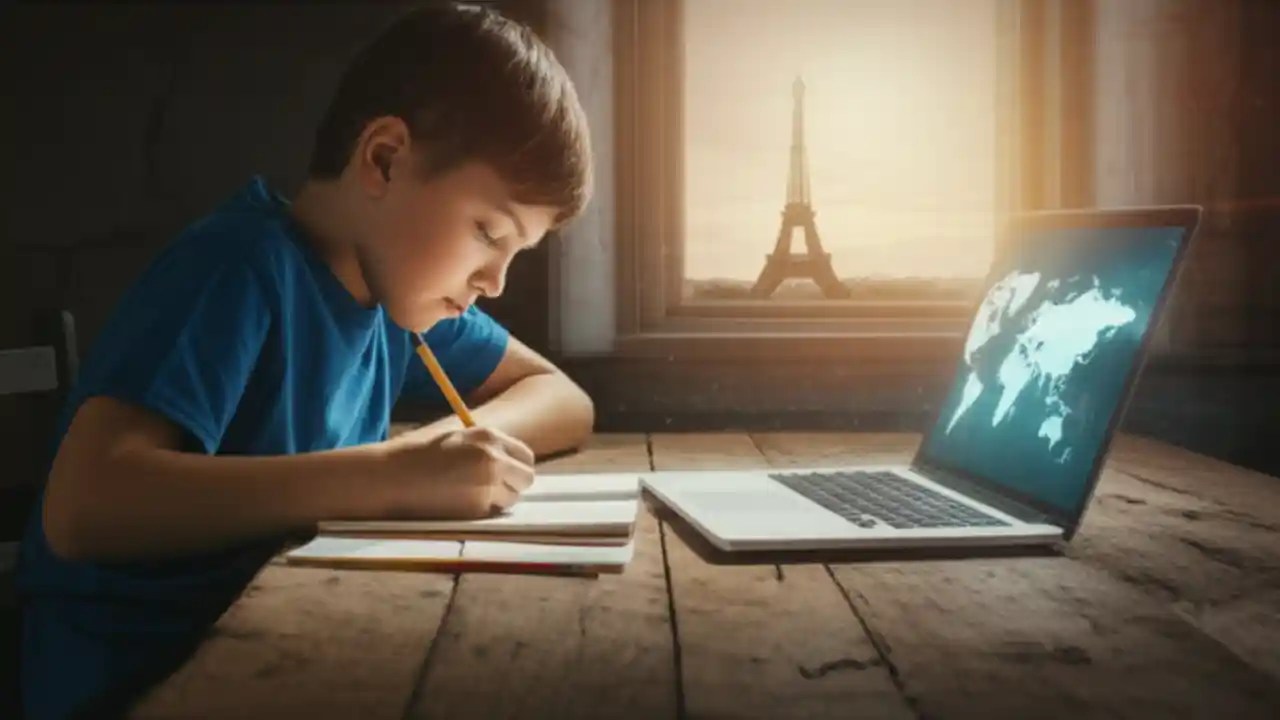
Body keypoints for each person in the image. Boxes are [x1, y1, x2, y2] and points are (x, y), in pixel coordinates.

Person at [16, 4, 594, 717]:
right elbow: (83, 506)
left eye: (517, 252)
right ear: (384, 159)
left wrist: (438, 454)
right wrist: (388, 477)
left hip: (277, 649)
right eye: (488, 231)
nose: (495, 282)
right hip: (132, 682)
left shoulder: (396, 302)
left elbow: (563, 398)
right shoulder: (239, 269)